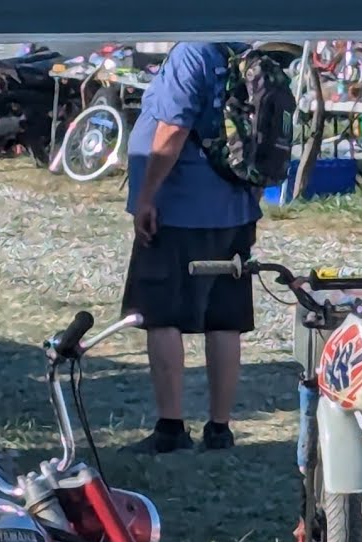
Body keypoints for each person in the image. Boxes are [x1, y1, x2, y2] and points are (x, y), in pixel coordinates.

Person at [121, 41, 262, 454]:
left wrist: (147, 195)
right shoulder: (245, 46)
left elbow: (172, 129)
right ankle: (220, 428)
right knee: (225, 319)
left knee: (160, 314)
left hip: (182, 207)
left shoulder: (192, 51)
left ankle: (171, 426)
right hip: (235, 206)